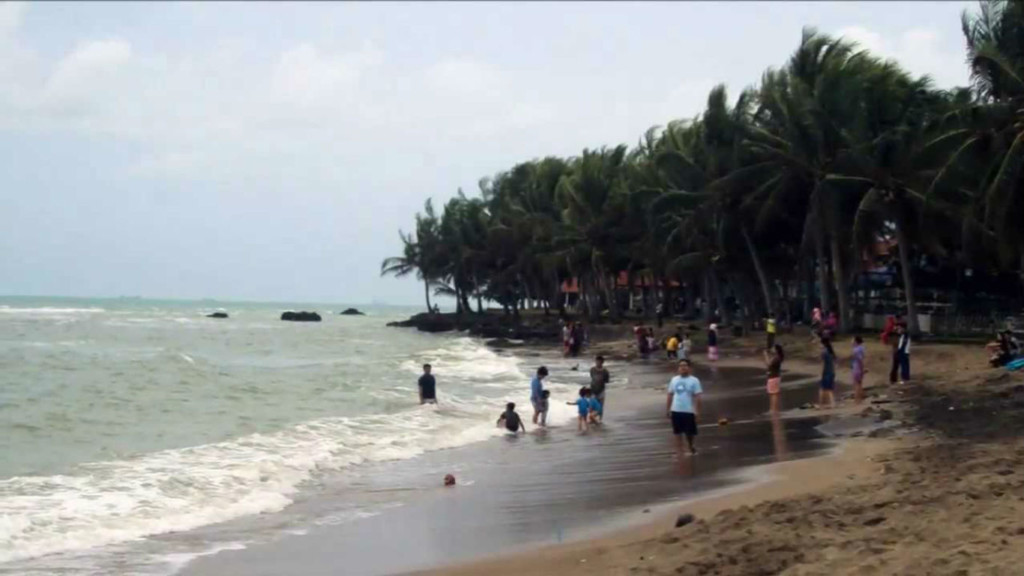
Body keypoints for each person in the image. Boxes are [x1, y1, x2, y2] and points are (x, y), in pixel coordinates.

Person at [667, 359, 702, 456]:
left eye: (685, 365)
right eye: (681, 366)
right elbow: (670, 394)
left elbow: (698, 397)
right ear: (678, 368)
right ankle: (679, 450)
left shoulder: (694, 380)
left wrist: (698, 412)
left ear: (689, 368)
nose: (683, 367)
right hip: (676, 410)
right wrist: (668, 409)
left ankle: (690, 445)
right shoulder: (674, 380)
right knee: (677, 432)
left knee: (689, 432)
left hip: (689, 411)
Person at [763, 344, 784, 413]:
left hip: (773, 377)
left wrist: (765, 355)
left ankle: (773, 409)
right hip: (774, 377)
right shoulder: (776, 357)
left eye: (773, 348)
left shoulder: (776, 358)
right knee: (774, 394)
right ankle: (774, 408)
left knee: (773, 394)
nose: (772, 349)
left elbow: (769, 364)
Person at [819, 338, 837, 409]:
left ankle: (821, 405)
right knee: (830, 390)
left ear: (823, 344)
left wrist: (821, 374)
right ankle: (833, 403)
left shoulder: (824, 352)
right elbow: (834, 363)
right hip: (832, 372)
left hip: (826, 373)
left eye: (820, 344)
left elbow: (823, 364)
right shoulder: (830, 351)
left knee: (822, 389)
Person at [851, 336, 867, 404]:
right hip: (858, 367)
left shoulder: (856, 350)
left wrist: (862, 368)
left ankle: (857, 399)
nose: (851, 342)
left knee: (856, 384)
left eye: (852, 340)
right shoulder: (861, 348)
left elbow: (860, 360)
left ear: (856, 341)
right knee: (860, 383)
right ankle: (860, 398)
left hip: (857, 368)